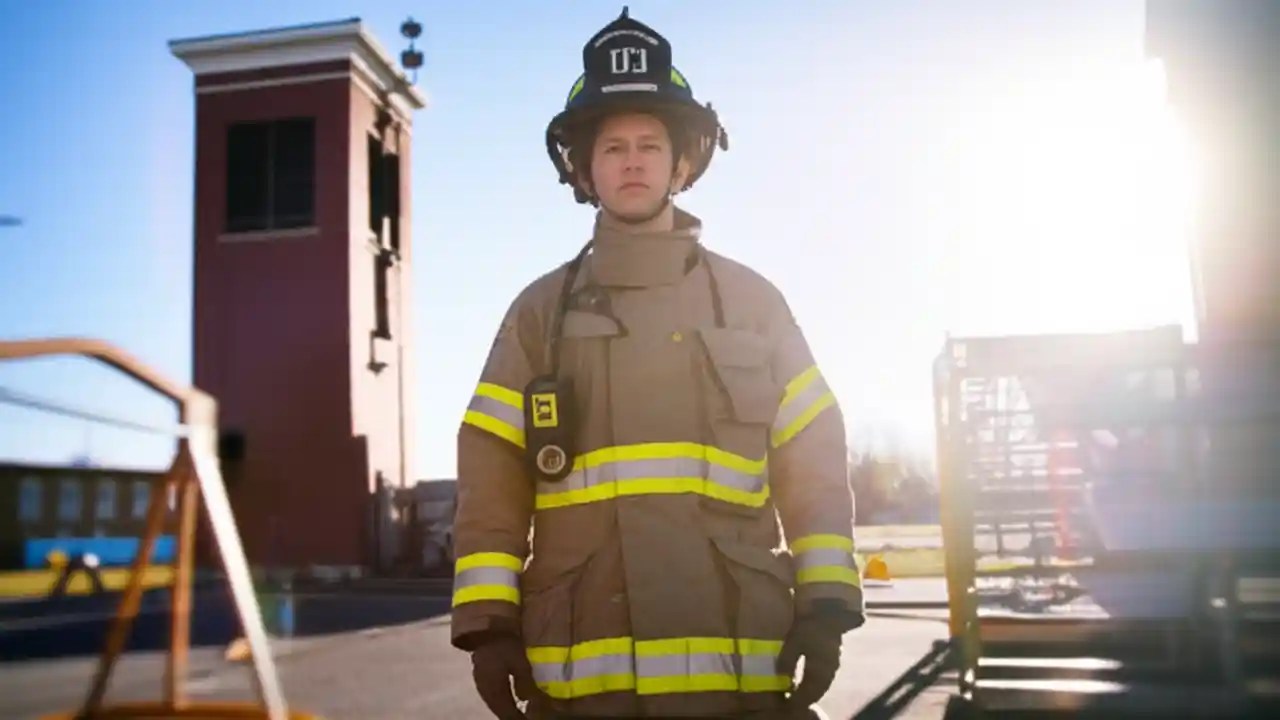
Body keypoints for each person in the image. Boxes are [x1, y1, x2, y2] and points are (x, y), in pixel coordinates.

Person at [451, 8, 864, 719]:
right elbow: (492, 465)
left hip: (741, 673)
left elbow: (813, 453)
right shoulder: (537, 316)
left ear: (683, 162)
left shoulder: (751, 303)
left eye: (650, 143)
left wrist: (825, 603)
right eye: (612, 147)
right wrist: (488, 624)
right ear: (583, 168)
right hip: (583, 681)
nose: (633, 160)